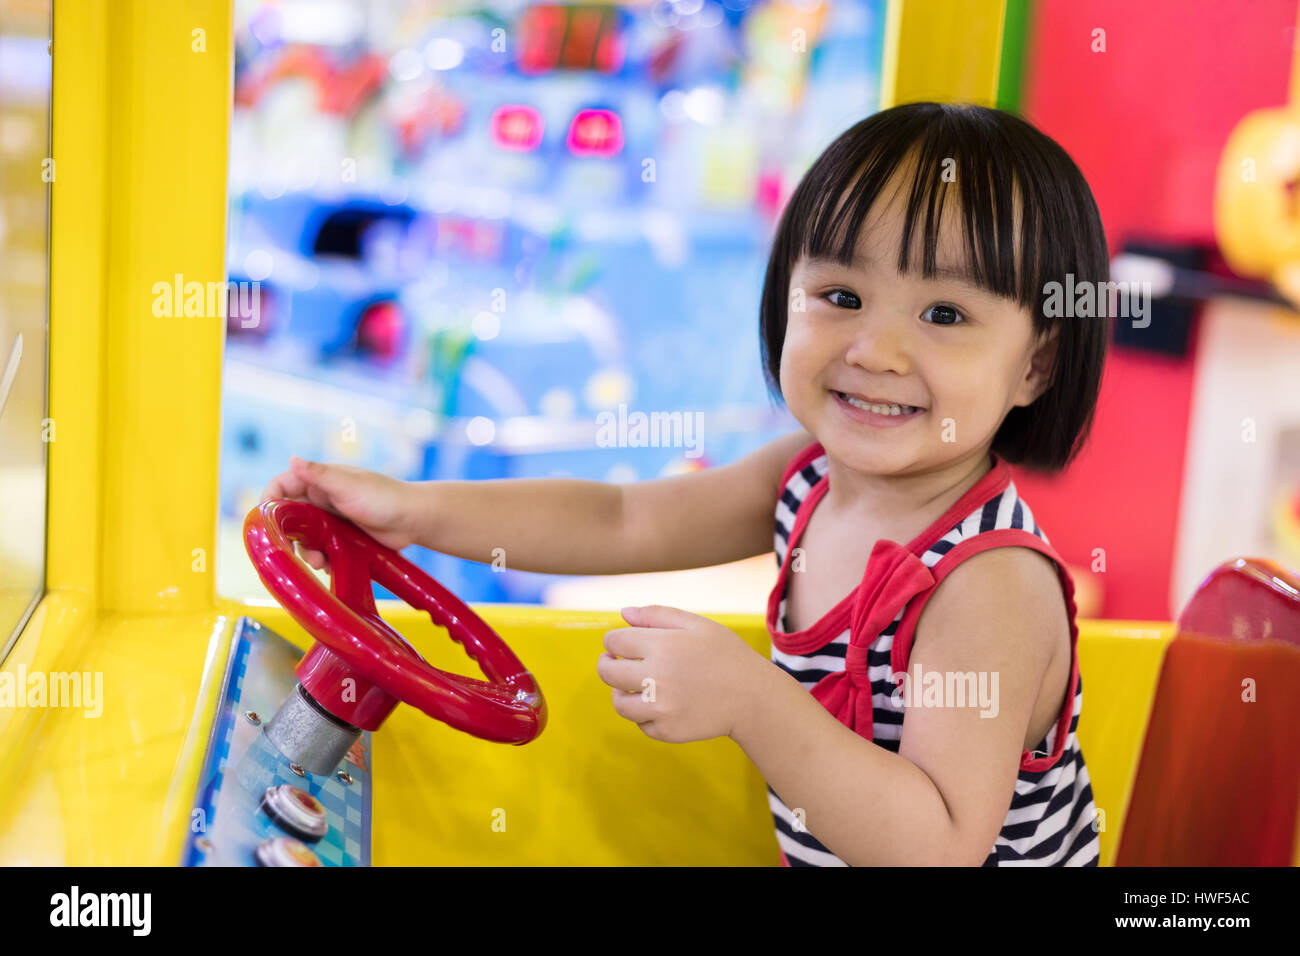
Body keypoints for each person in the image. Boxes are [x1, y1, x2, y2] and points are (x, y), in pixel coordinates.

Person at [262, 101, 1108, 866]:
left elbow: (937, 846)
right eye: (841, 295)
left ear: (1035, 365)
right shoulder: (804, 479)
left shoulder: (986, 586)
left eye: (945, 315)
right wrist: (417, 510)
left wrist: (752, 700)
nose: (874, 351)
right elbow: (622, 519)